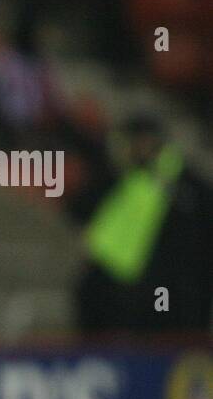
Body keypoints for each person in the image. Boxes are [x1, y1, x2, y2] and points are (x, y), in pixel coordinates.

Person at [69, 112, 213, 337]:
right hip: (123, 285)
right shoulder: (130, 179)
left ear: (147, 141)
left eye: (127, 142)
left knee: (163, 335)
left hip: (165, 292)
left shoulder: (185, 187)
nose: (122, 150)